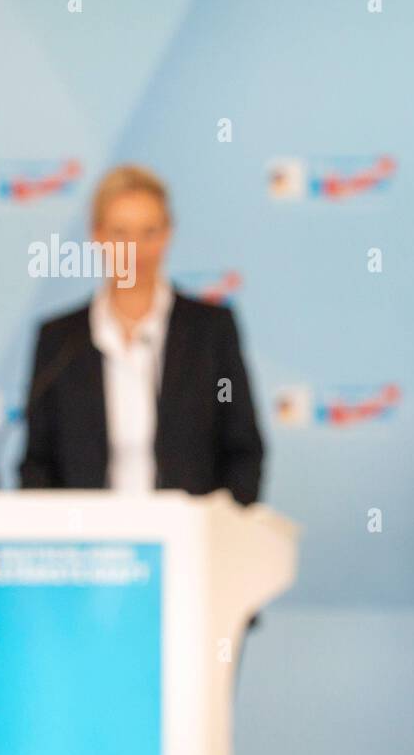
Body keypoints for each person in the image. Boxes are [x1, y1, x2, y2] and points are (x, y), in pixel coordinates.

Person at [20, 165, 264, 503]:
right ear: (98, 236)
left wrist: (221, 529)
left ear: (168, 234)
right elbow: (37, 462)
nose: (135, 249)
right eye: (120, 232)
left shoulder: (210, 333)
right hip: (87, 543)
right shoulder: (59, 341)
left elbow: (242, 446)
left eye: (149, 231)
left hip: (190, 539)